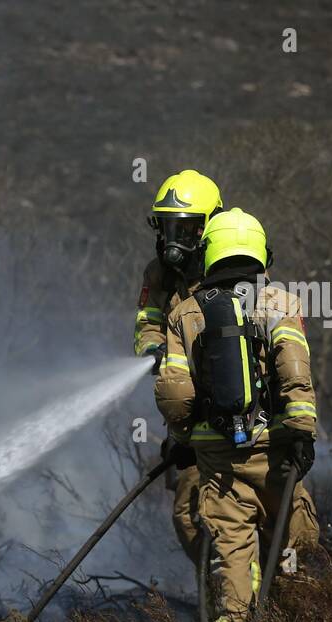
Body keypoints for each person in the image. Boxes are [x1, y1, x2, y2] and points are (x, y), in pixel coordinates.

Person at [153, 208, 319, 622]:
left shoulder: (183, 313)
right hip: (278, 457)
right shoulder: (280, 302)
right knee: (293, 554)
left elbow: (174, 394)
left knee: (234, 580)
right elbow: (294, 371)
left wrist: (190, 437)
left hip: (220, 467)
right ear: (262, 252)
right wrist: (301, 432)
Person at [136, 170, 222, 564]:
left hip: (236, 409)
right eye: (168, 227)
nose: (174, 241)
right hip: (187, 416)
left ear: (206, 227)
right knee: (188, 515)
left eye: (184, 229)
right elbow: (147, 321)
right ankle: (220, 588)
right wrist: (153, 348)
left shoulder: (229, 266)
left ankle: (262, 602)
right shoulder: (158, 274)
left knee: (247, 514)